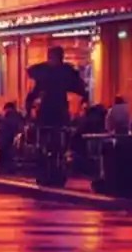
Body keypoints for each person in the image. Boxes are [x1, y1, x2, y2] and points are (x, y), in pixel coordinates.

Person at [25, 46, 89, 185]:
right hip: (57, 110)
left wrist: (29, 110)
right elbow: (81, 88)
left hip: (51, 111)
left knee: (49, 140)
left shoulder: (46, 72)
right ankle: (51, 163)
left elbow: (33, 93)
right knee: (51, 140)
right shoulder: (65, 72)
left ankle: (50, 164)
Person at [0, 101, 24, 173]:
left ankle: (6, 169)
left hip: (7, 142)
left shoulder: (7, 119)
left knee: (7, 156)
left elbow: (4, 131)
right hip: (13, 141)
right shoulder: (19, 117)